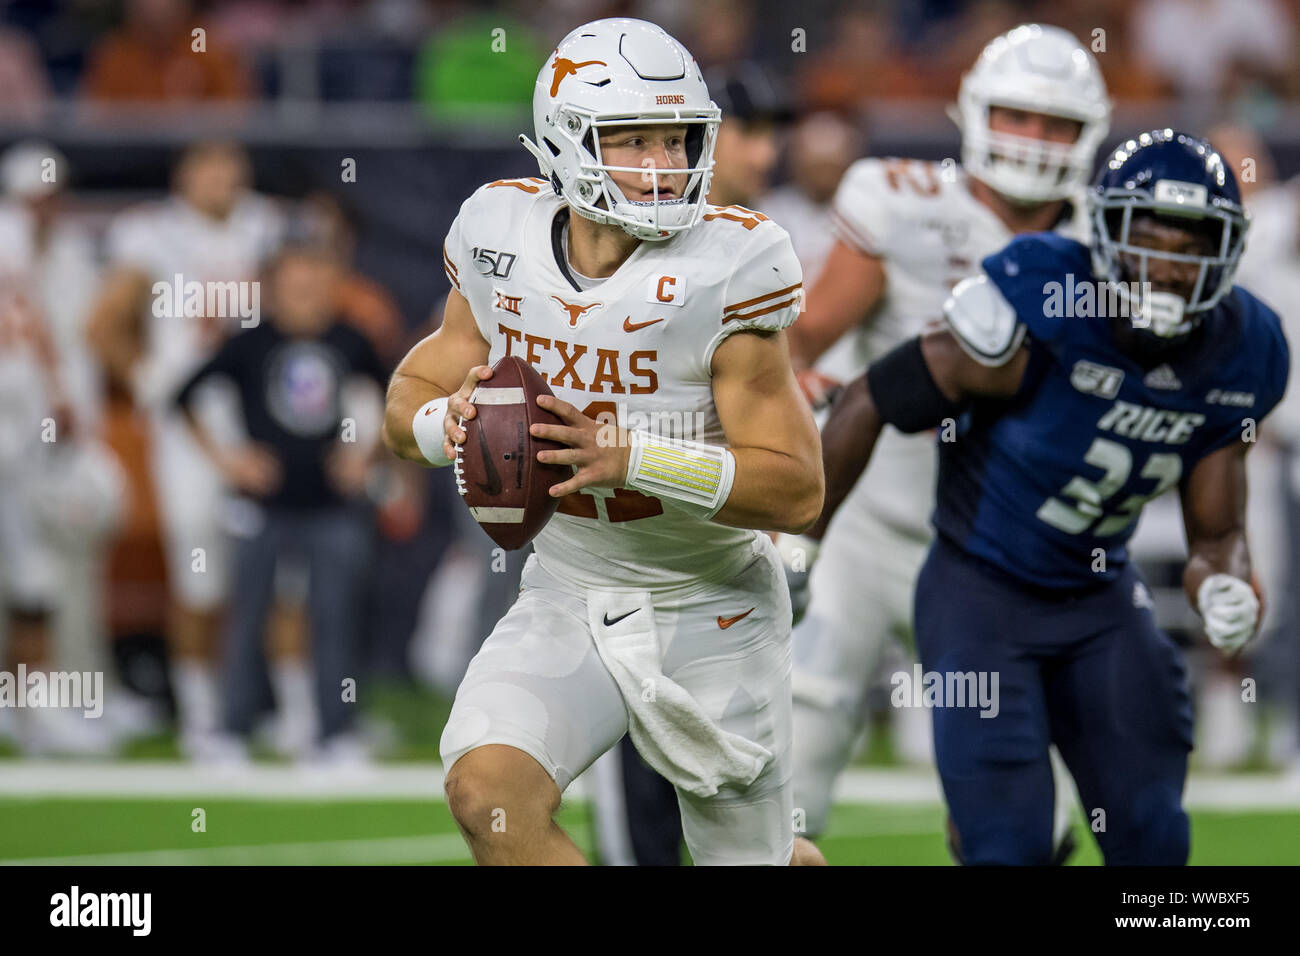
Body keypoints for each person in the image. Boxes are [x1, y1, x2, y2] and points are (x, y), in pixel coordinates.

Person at [384, 18, 825, 866]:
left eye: (677, 139)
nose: (663, 165)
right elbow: (409, 401)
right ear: (565, 140)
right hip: (571, 588)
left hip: (712, 602)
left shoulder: (731, 264)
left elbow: (798, 489)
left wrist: (637, 457)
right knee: (488, 794)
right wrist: (457, 426)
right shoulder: (498, 234)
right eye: (632, 140)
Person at [805, 129, 1287, 865]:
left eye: (1189, 246)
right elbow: (870, 397)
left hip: (1099, 601)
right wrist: (803, 536)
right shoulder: (1040, 304)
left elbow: (1214, 534)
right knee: (1010, 846)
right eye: (1146, 240)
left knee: (1153, 839)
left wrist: (1223, 579)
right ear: (1103, 235)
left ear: (1225, 252)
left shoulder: (1243, 350)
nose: (1163, 267)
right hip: (979, 594)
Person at [781, 24, 1110, 848]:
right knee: (792, 755)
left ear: (1090, 134)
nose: (1032, 140)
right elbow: (803, 339)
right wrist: (791, 390)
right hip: (865, 523)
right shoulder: (903, 201)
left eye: (1054, 123)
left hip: (1000, 553)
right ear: (973, 112)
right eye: (1016, 116)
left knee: (1021, 817)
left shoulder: (1109, 245)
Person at [87, 140, 284, 760]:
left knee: (280, 573)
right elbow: (100, 325)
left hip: (264, 419)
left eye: (232, 167)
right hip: (192, 427)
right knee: (200, 573)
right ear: (184, 177)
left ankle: (284, 710)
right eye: (209, 168)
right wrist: (152, 383)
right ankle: (202, 716)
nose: (223, 180)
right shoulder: (152, 234)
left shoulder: (269, 226)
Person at [175, 243, 387, 761]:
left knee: (335, 619)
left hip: (330, 505)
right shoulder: (250, 344)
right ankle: (229, 732)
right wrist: (229, 459)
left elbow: (402, 398)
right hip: (261, 505)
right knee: (246, 617)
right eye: (294, 286)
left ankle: (334, 734)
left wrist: (367, 456)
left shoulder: (350, 339)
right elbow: (183, 396)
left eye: (314, 285)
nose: (305, 297)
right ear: (272, 289)